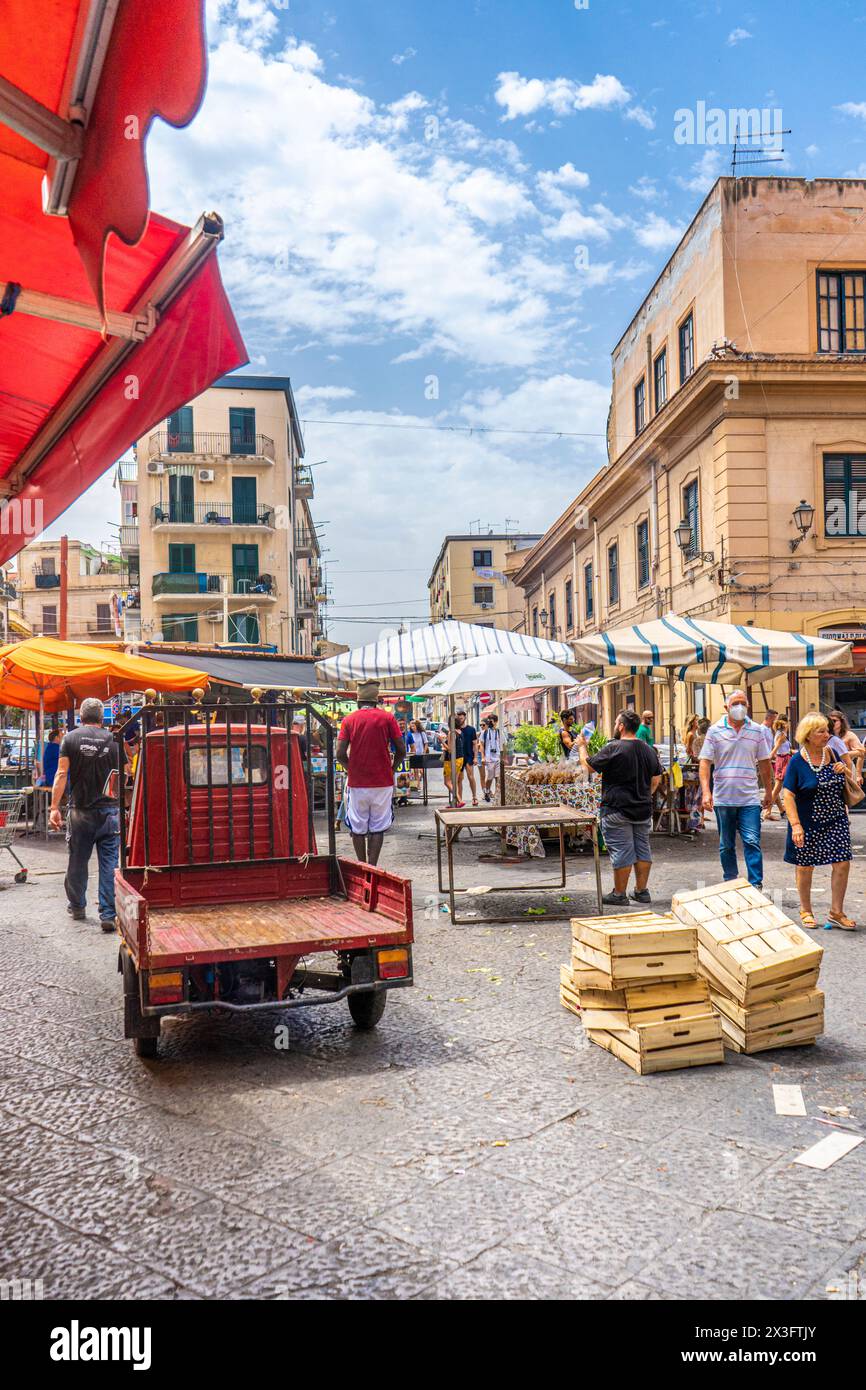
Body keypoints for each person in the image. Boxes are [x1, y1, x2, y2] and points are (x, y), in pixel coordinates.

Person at [574, 709, 662, 906]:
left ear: (621, 726)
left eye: (616, 723)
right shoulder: (649, 750)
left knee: (622, 850)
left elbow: (588, 767)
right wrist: (647, 794)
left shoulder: (614, 747)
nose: (615, 726)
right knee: (642, 850)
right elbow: (656, 777)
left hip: (617, 809)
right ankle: (641, 891)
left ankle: (619, 894)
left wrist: (582, 746)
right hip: (642, 809)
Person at [49, 698, 121, 931]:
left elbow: (61, 774)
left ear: (81, 716)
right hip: (110, 810)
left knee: (78, 861)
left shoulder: (70, 739)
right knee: (109, 863)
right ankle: (108, 914)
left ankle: (78, 906)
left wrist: (53, 808)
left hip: (80, 811)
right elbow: (124, 774)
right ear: (102, 718)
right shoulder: (114, 740)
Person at [782, 713, 855, 931]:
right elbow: (787, 795)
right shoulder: (797, 761)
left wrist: (844, 769)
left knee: (842, 862)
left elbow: (846, 779)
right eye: (821, 731)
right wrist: (796, 825)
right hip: (808, 821)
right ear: (808, 735)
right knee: (805, 866)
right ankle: (806, 910)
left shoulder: (831, 753)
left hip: (836, 818)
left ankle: (836, 912)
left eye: (827, 730)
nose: (827, 735)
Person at [699, 690, 773, 888]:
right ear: (726, 707)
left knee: (752, 841)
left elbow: (765, 764)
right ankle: (730, 881)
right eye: (735, 703)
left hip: (749, 798)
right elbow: (705, 763)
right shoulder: (714, 731)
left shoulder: (757, 730)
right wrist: (706, 792)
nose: (739, 707)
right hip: (723, 798)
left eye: (743, 703)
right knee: (726, 845)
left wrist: (768, 791)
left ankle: (756, 884)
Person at [336, 681, 405, 866]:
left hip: (357, 783)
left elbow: (340, 754)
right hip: (382, 782)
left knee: (357, 828)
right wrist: (391, 769)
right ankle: (372, 867)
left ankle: (362, 866)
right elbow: (401, 749)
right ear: (377, 700)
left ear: (358, 700)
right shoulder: (388, 719)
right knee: (377, 828)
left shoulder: (349, 720)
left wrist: (352, 769)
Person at [765, 716, 792, 820]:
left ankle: (780, 810)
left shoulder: (779, 734)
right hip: (783, 761)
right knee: (777, 788)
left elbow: (781, 749)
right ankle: (767, 811)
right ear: (786, 723)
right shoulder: (782, 735)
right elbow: (776, 748)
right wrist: (770, 756)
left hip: (783, 759)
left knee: (778, 788)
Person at [828, 710, 864, 783]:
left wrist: (858, 774)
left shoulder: (849, 735)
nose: (831, 723)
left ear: (841, 722)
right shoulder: (826, 735)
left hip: (847, 767)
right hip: (831, 769)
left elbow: (861, 752)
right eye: (830, 721)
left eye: (834, 721)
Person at [456, 711, 480, 806]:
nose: (460, 720)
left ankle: (474, 797)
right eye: (458, 718)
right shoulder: (456, 730)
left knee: (471, 777)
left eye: (461, 718)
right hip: (459, 756)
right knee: (459, 779)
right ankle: (460, 799)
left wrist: (475, 757)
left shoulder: (471, 729)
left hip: (469, 755)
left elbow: (475, 744)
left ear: (465, 718)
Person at [480, 714, 504, 801]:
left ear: (496, 722)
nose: (490, 722)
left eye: (491, 720)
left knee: (498, 777)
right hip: (489, 758)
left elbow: (504, 745)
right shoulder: (485, 732)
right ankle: (487, 791)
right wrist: (483, 757)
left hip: (497, 757)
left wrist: (503, 757)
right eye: (489, 720)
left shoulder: (499, 732)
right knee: (489, 777)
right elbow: (481, 745)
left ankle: (497, 794)